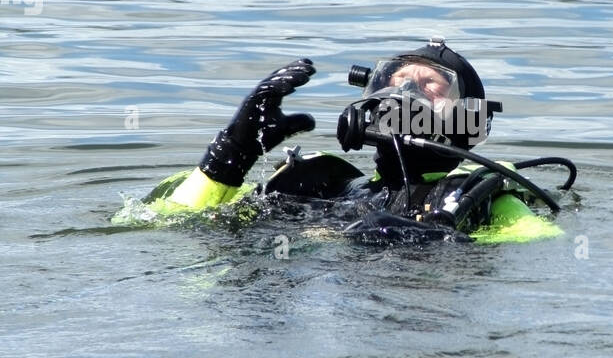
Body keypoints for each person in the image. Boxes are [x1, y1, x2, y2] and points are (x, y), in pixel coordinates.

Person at [130, 38, 575, 244]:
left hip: (424, 306)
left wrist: (436, 236)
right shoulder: (324, 179)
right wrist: (231, 153)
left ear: (470, 115)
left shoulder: (474, 192)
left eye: (431, 85)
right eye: (397, 81)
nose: (407, 92)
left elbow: (538, 242)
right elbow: (157, 221)